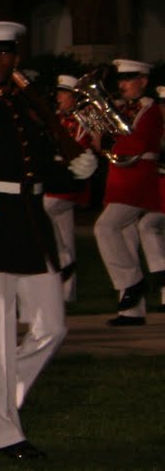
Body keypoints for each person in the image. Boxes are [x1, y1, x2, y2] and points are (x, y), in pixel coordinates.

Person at [0, 21, 96, 461]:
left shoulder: (28, 108)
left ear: (14, 58)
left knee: (52, 326)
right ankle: (5, 434)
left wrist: (75, 172)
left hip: (31, 225)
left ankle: (5, 399)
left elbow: (39, 169)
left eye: (5, 53)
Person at [93, 58, 163, 325]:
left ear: (143, 81)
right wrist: (100, 134)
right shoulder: (122, 109)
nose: (121, 85)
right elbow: (105, 143)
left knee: (105, 228)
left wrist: (111, 138)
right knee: (125, 237)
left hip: (138, 179)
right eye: (120, 80)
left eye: (128, 79)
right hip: (120, 177)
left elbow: (139, 141)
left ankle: (132, 283)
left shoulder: (150, 109)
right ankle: (132, 311)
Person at [48, 74, 95, 302]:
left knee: (44, 210)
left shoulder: (83, 120)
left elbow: (79, 148)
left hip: (69, 180)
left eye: (63, 93)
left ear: (75, 97)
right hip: (55, 180)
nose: (58, 97)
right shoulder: (56, 118)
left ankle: (65, 262)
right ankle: (67, 292)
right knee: (65, 235)